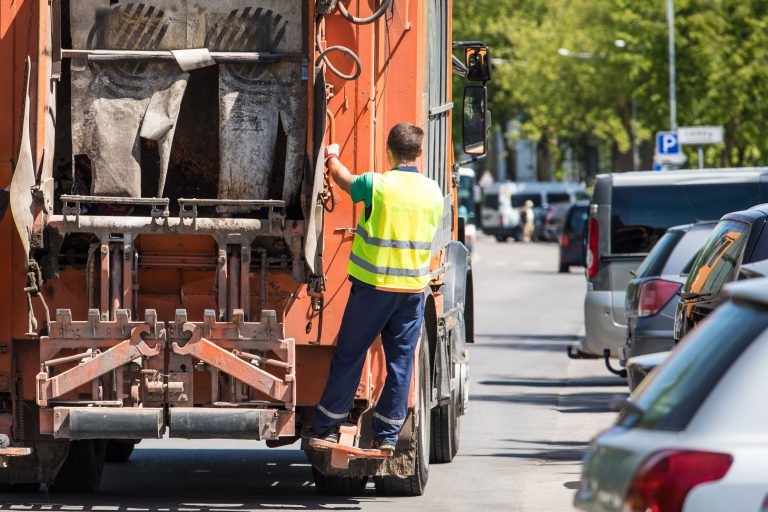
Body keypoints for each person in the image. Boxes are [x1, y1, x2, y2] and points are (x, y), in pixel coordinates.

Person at [310, 123, 444, 452]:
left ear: (388, 151)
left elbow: (344, 180)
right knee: (400, 364)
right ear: (420, 154)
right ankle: (386, 436)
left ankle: (328, 426)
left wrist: (330, 156)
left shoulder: (378, 185)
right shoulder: (433, 192)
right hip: (412, 292)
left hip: (374, 290)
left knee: (351, 355)